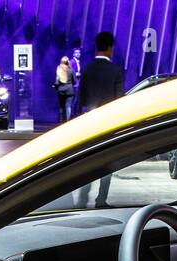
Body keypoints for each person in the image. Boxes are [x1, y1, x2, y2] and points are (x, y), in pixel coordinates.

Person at [74, 33, 124, 206]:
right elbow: (120, 101)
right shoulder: (116, 71)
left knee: (89, 161)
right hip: (109, 124)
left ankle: (83, 197)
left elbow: (81, 99)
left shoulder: (87, 69)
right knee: (108, 162)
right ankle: (101, 199)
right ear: (111, 48)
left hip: (90, 123)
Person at [54, 56, 74, 123]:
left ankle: (61, 120)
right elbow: (74, 81)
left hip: (61, 90)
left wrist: (55, 86)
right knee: (68, 106)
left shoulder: (59, 69)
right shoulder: (71, 70)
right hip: (70, 90)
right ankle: (68, 120)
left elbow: (57, 81)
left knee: (61, 106)